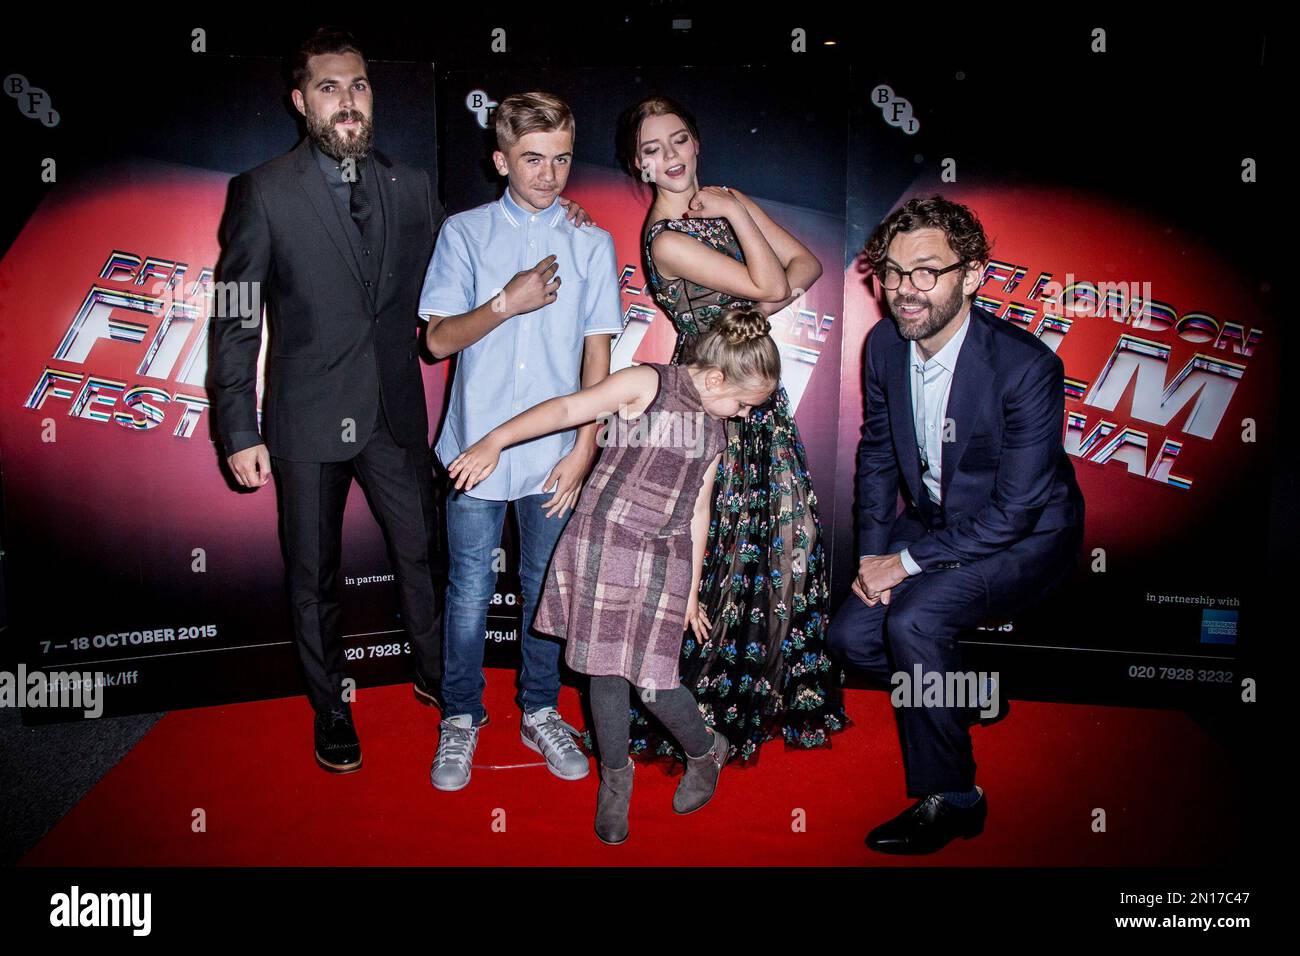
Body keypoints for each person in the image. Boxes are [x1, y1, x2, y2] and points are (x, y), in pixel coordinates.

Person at [211, 27, 449, 774]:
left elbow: (461, 275)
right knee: (313, 578)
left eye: (359, 86)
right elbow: (238, 315)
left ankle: (437, 676)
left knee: (421, 555)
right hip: (306, 420)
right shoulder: (263, 191)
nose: (347, 102)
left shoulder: (411, 184)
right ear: (300, 101)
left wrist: (551, 217)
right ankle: (331, 710)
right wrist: (235, 427)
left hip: (395, 415)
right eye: (329, 88)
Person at [449, 308, 779, 844]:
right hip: (604, 545)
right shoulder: (645, 383)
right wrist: (495, 441)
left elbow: (698, 510)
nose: (742, 414)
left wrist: (692, 591)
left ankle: (704, 751)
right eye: (742, 402)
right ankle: (616, 780)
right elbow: (567, 408)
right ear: (716, 377)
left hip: (665, 559)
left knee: (654, 684)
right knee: (601, 673)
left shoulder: (716, 427)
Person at [828, 195, 1085, 854]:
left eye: (926, 272)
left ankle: (956, 800)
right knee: (852, 639)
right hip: (937, 521)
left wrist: (905, 566)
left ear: (971, 276)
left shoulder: (1026, 367)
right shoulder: (884, 343)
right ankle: (957, 694)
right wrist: (872, 555)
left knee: (914, 620)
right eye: (891, 270)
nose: (903, 290)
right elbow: (879, 452)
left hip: (1026, 537)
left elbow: (1015, 511)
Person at [614, 95, 846, 764]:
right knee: (717, 544)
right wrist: (740, 211)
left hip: (756, 395)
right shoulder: (668, 238)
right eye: (653, 149)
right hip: (711, 400)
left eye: (679, 139)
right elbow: (772, 285)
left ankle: (770, 693)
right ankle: (701, 704)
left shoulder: (713, 205)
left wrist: (738, 221)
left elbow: (808, 267)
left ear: (695, 142)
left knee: (781, 538)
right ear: (638, 163)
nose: (671, 157)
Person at [418, 91, 621, 791]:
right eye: (533, 159)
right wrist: (507, 301)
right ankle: (461, 716)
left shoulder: (590, 239)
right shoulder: (465, 232)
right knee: (469, 589)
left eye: (562, 158)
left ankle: (540, 709)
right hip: (475, 445)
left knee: (545, 589)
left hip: (556, 455)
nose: (550, 174)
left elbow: (601, 352)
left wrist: (585, 446)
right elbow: (437, 340)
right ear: (501, 158)